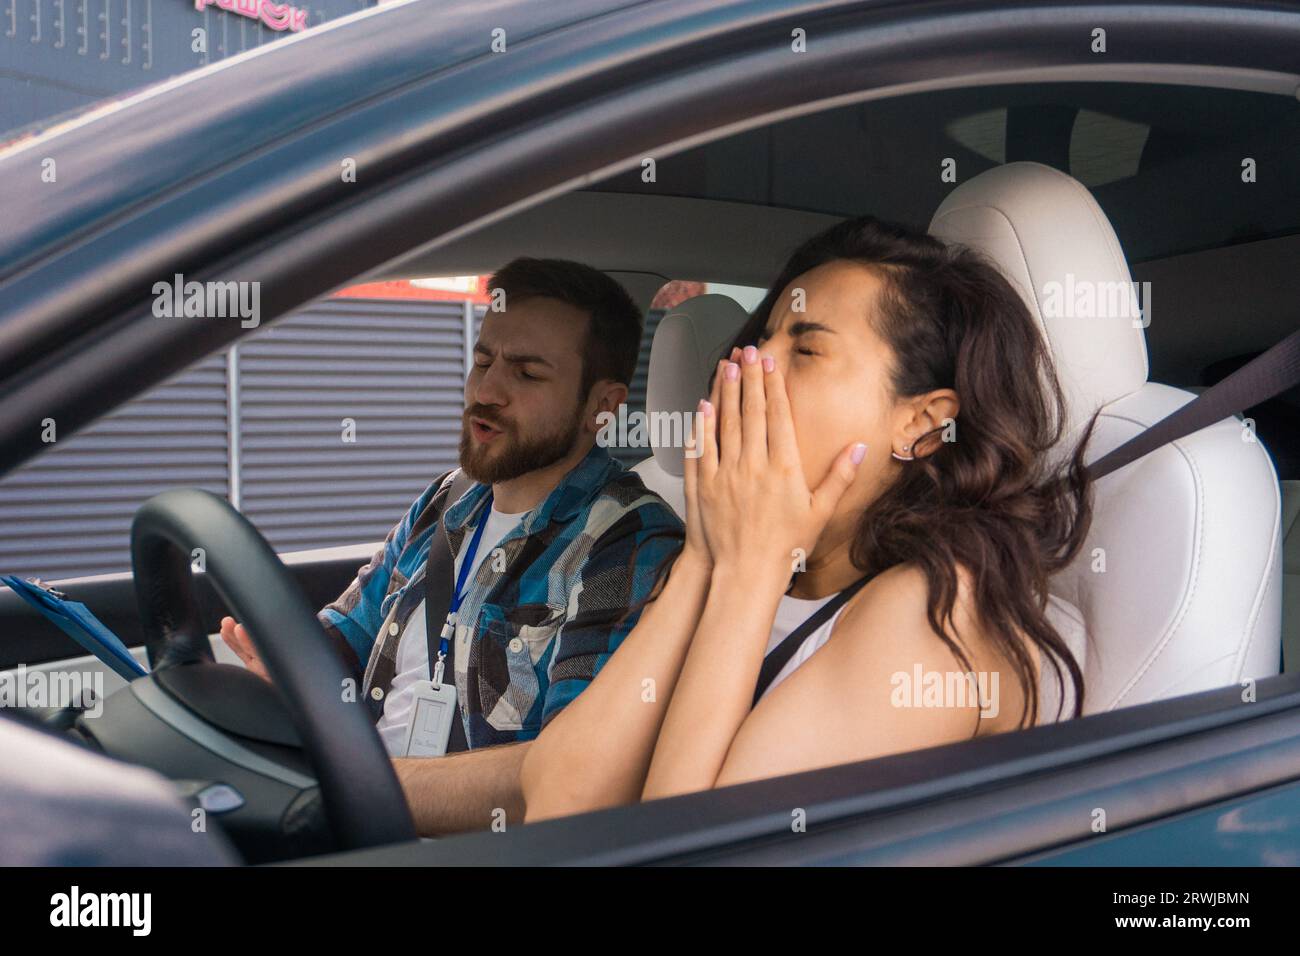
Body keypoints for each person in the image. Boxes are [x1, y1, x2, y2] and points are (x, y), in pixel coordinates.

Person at [520, 215, 1095, 818]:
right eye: (761, 340)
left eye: (806, 348)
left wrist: (747, 567)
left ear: (922, 424)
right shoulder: (750, 569)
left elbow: (695, 848)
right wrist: (706, 556)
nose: (745, 366)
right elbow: (560, 805)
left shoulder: (937, 611)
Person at [221, 257, 683, 834]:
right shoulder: (449, 498)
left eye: (527, 374)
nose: (486, 391)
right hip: (353, 822)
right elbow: (351, 634)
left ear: (602, 406)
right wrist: (288, 659)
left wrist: (353, 783)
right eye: (483, 360)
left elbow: (567, 776)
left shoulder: (629, 542)